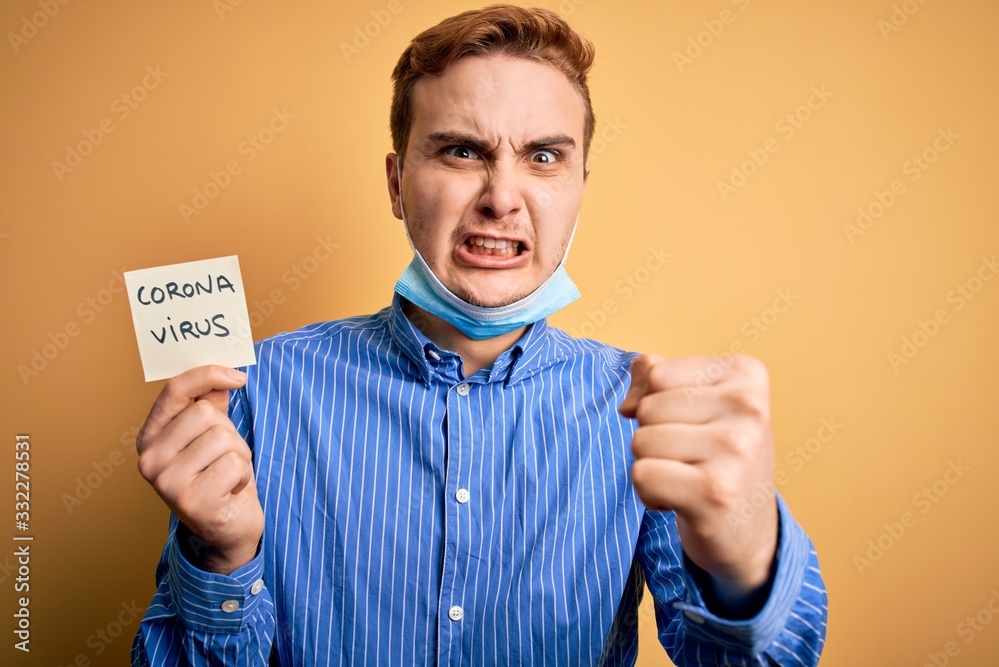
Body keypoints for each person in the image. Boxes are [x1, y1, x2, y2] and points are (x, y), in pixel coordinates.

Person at [131, 5, 827, 665]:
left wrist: (746, 558)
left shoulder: (644, 412)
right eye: (462, 151)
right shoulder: (255, 392)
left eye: (544, 157)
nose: (501, 196)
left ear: (582, 182)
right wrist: (219, 560)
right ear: (398, 183)